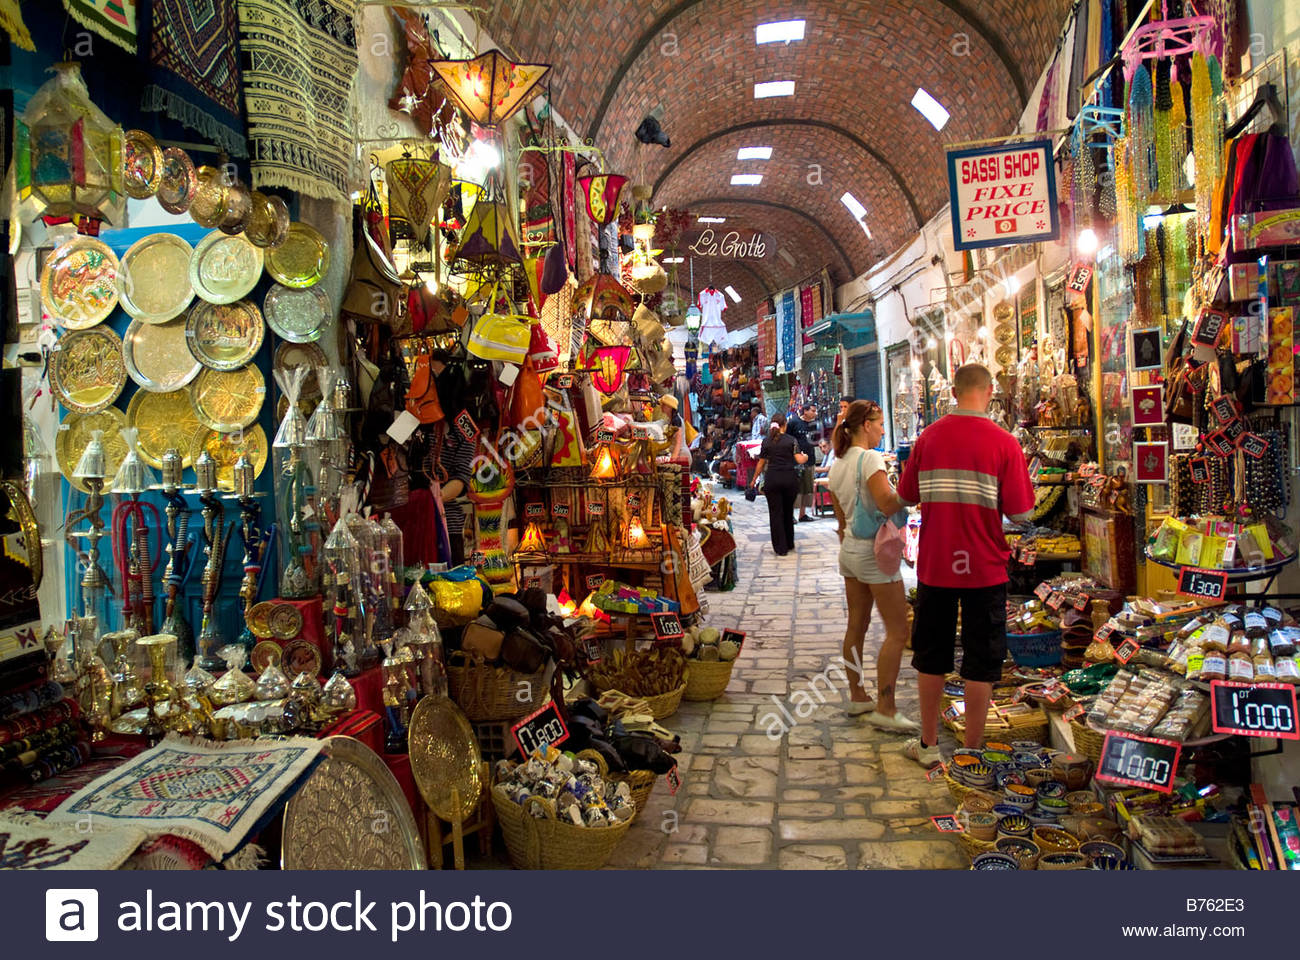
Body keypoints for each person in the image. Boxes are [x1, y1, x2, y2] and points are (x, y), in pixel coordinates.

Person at [896, 364, 1035, 765]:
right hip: (984, 567)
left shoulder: (928, 438)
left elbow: (907, 495)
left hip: (938, 565)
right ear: (989, 391)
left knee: (931, 653)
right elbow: (1023, 512)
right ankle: (972, 749)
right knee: (981, 658)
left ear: (953, 392)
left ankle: (927, 744)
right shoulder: (1004, 443)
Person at [827, 401, 916, 729]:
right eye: (879, 423)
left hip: (850, 549)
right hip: (875, 554)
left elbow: (840, 520)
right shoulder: (870, 459)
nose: (882, 429)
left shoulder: (838, 464)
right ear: (865, 424)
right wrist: (910, 491)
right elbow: (887, 502)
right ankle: (887, 707)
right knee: (897, 630)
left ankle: (857, 695)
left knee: (857, 625)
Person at [749, 415, 806, 556]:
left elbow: (761, 463)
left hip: (772, 480)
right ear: (784, 425)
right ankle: (789, 542)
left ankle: (780, 548)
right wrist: (806, 457)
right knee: (787, 512)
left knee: (775, 514)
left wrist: (753, 480)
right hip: (789, 479)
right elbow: (799, 459)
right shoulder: (791, 440)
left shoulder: (766, 442)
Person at [786, 402, 819, 521]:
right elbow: (787, 439)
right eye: (813, 411)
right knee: (796, 488)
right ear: (805, 411)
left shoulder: (813, 424)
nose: (815, 413)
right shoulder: (793, 423)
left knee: (807, 488)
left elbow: (815, 439)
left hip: (809, 459)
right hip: (796, 461)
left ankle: (802, 514)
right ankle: (791, 515)